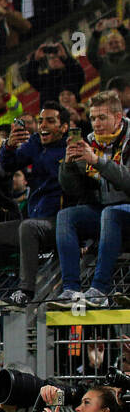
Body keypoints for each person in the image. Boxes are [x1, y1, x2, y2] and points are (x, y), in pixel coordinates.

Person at [0, 103, 67, 307]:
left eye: (50, 121)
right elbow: (9, 164)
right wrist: (9, 146)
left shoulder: (70, 147)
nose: (43, 125)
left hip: (59, 222)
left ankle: (25, 291)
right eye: (40, 121)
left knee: (27, 227)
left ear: (64, 127)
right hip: (33, 222)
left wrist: (44, 154)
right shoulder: (37, 143)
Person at [52, 91, 130, 308]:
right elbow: (73, 190)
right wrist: (68, 165)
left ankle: (100, 290)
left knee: (110, 213)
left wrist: (97, 161)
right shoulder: (89, 142)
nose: (96, 124)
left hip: (122, 212)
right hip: (108, 214)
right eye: (93, 118)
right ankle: (71, 290)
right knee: (67, 216)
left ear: (118, 117)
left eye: (102, 118)